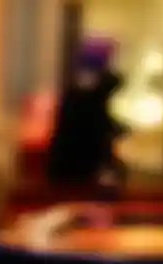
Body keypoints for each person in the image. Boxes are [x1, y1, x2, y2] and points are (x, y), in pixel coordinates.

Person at [47, 40, 127, 186]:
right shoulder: (89, 93)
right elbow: (94, 123)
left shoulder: (77, 91)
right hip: (81, 165)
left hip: (67, 164)